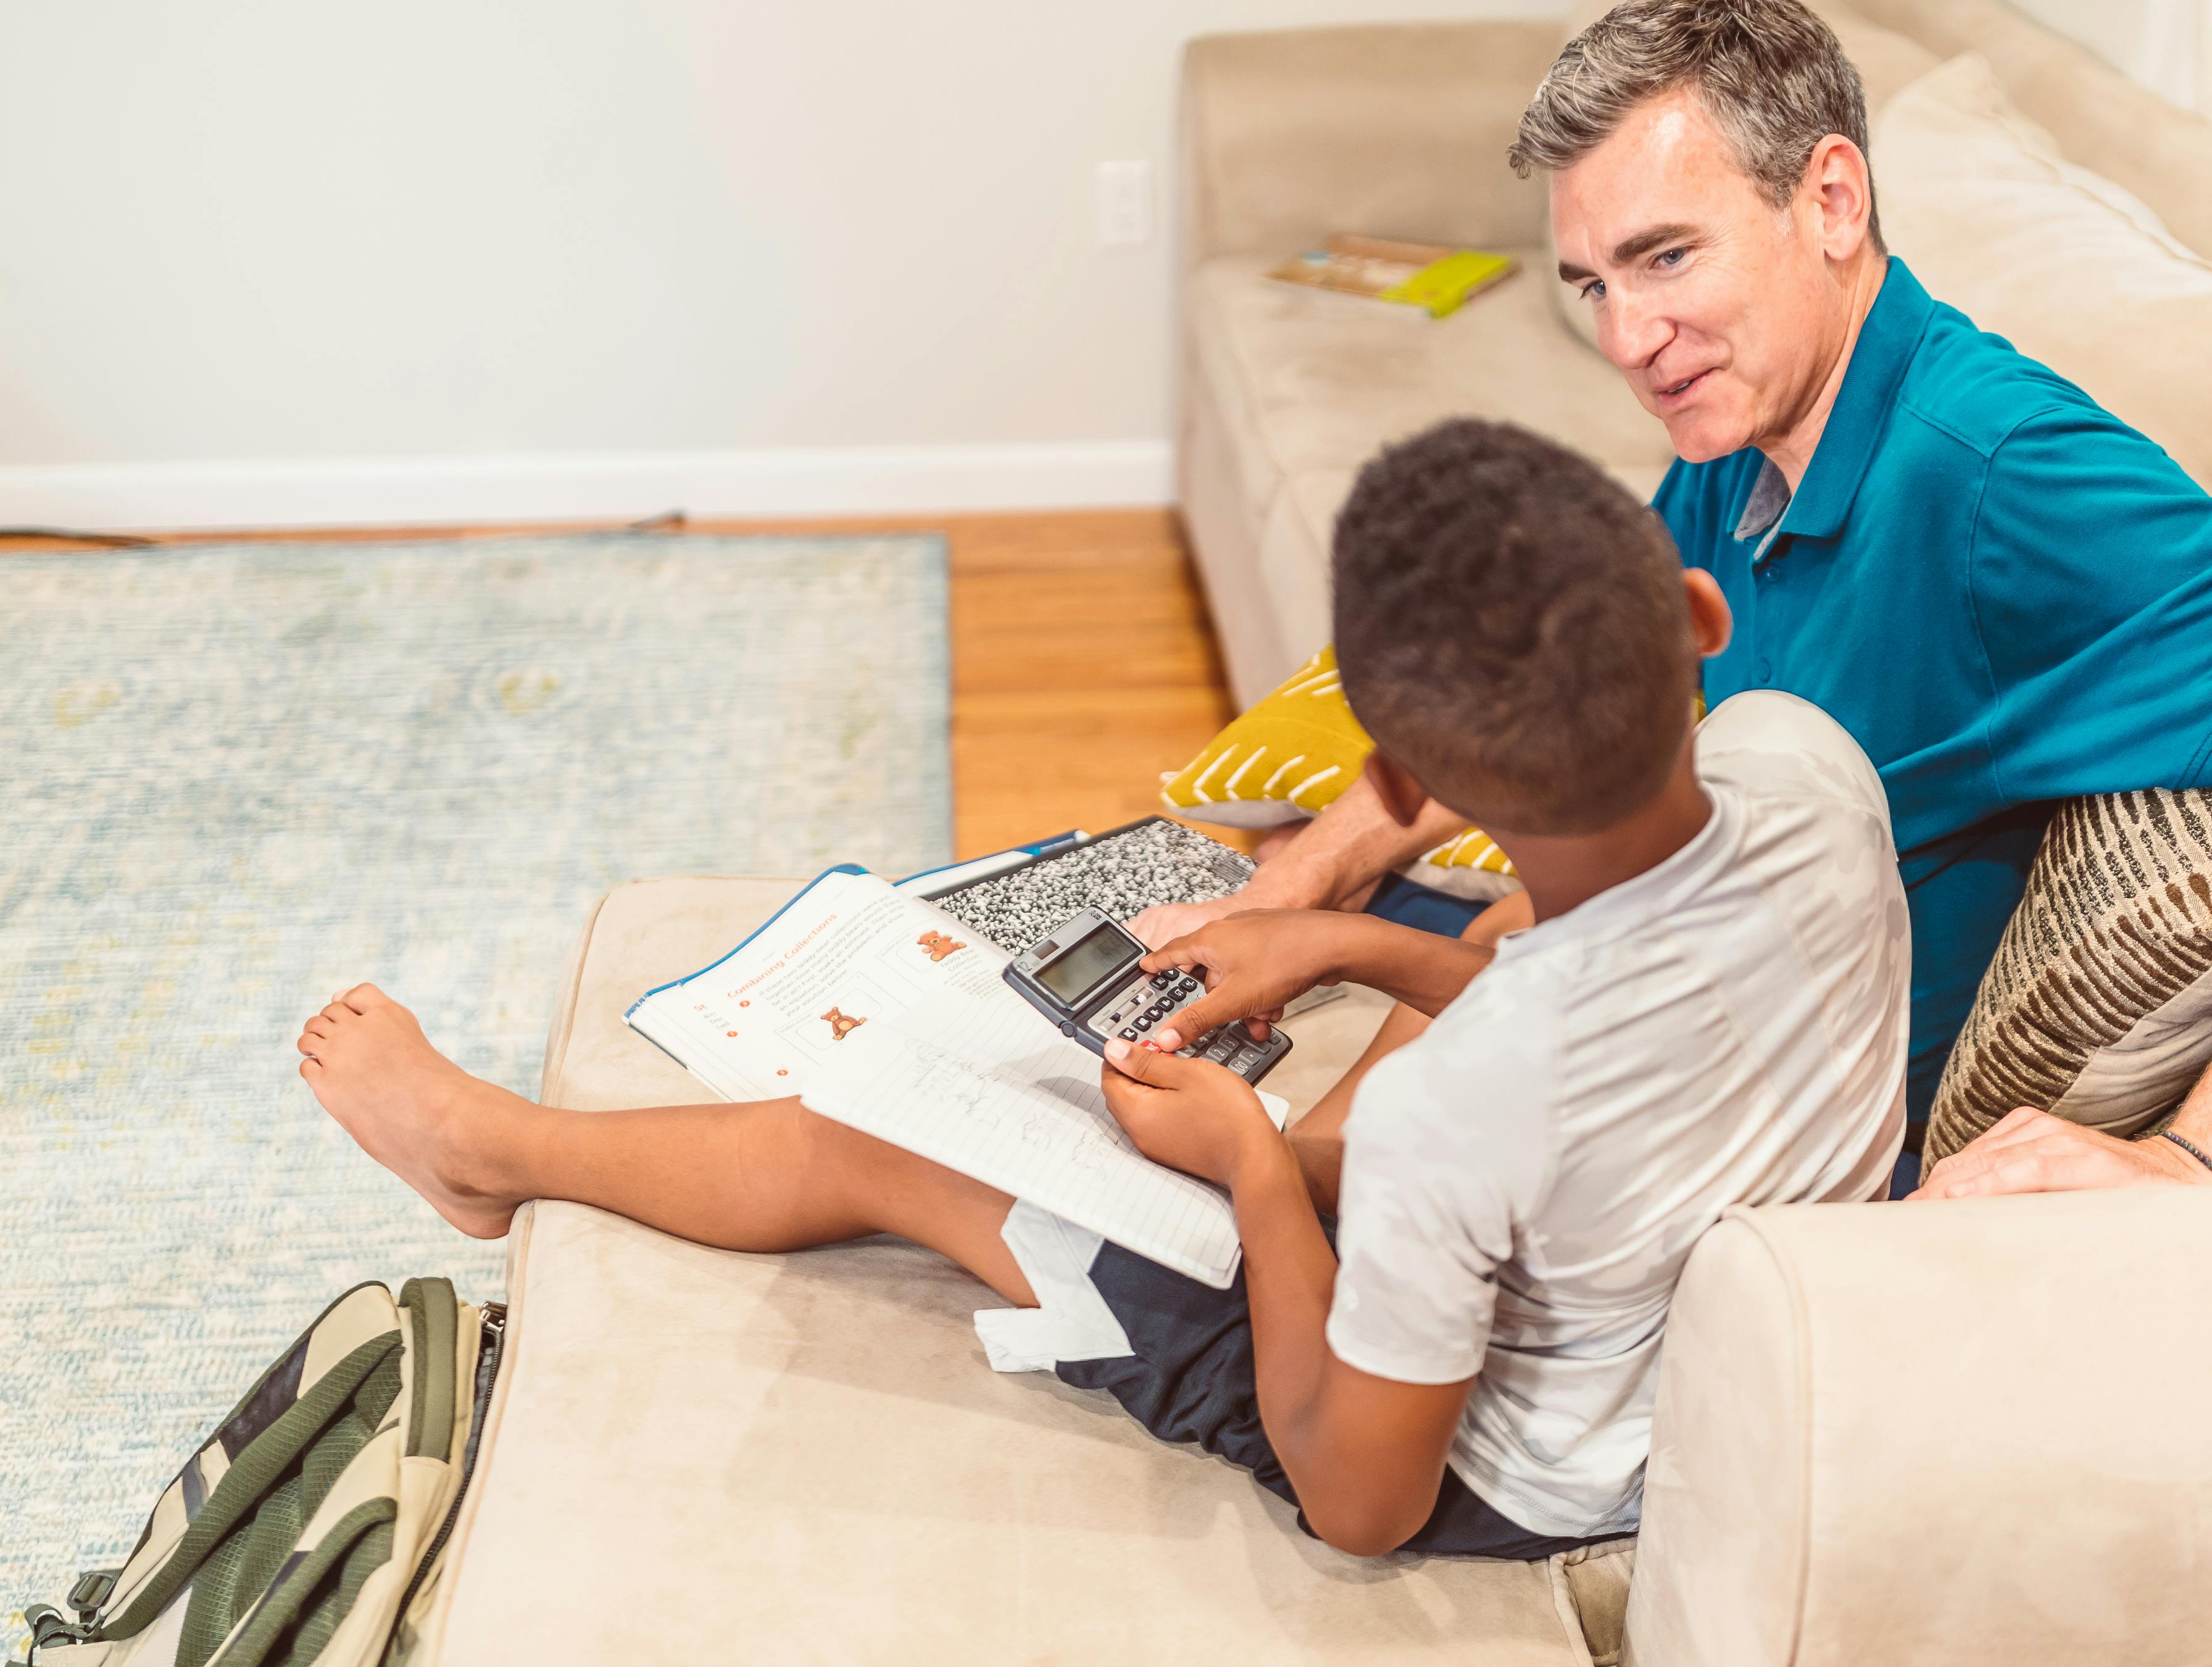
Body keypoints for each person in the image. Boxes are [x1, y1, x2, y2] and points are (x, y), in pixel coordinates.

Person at [293, 418, 1908, 1559]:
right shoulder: (1814, 777)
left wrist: (1262, 1177)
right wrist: (1342, 941)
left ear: (1397, 779)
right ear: (1702, 623)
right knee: (1470, 948)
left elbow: (1363, 1503)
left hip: (1542, 1473)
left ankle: (487, 1151)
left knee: (885, 1129)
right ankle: (1304, 1029)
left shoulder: (1453, 1108)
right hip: (1691, 1284)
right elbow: (1549, 1003)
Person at [1137, 0, 2212, 1199]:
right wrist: (1301, 881)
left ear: (1833, 201)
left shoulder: (1999, 474)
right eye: (1594, 284)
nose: (1629, 337)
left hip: (1748, 1129)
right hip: (1635, 983)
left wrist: (2194, 1165)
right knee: (1090, 1025)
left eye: (1668, 258)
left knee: (1100, 1192)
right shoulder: (1746, 430)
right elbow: (1563, 675)